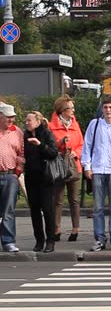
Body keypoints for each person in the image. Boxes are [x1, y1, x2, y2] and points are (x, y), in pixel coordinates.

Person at [81, 97, 111, 251]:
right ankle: (99, 238)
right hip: (97, 170)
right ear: (102, 109)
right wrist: (87, 166)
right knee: (98, 207)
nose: (108, 110)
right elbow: (87, 145)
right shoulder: (95, 124)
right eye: (106, 107)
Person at [48, 95, 83, 242]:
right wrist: (60, 142)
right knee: (58, 199)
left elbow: (81, 144)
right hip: (59, 166)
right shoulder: (51, 126)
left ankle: (75, 229)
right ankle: (56, 228)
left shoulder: (75, 125)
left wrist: (77, 153)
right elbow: (49, 145)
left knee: (74, 199)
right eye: (70, 108)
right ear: (62, 110)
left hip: (74, 165)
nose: (73, 111)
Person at [23, 111, 59, 253]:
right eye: (26, 120)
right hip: (31, 177)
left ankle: (50, 240)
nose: (27, 123)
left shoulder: (46, 134)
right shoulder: (25, 135)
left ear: (38, 122)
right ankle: (39, 240)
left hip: (45, 177)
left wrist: (40, 145)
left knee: (48, 210)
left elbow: (53, 153)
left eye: (29, 120)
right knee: (34, 210)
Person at [0, 103, 23, 252]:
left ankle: (8, 241)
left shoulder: (17, 132)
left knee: (8, 210)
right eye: (8, 117)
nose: (11, 120)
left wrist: (17, 172)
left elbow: (22, 153)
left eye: (12, 117)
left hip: (10, 175)